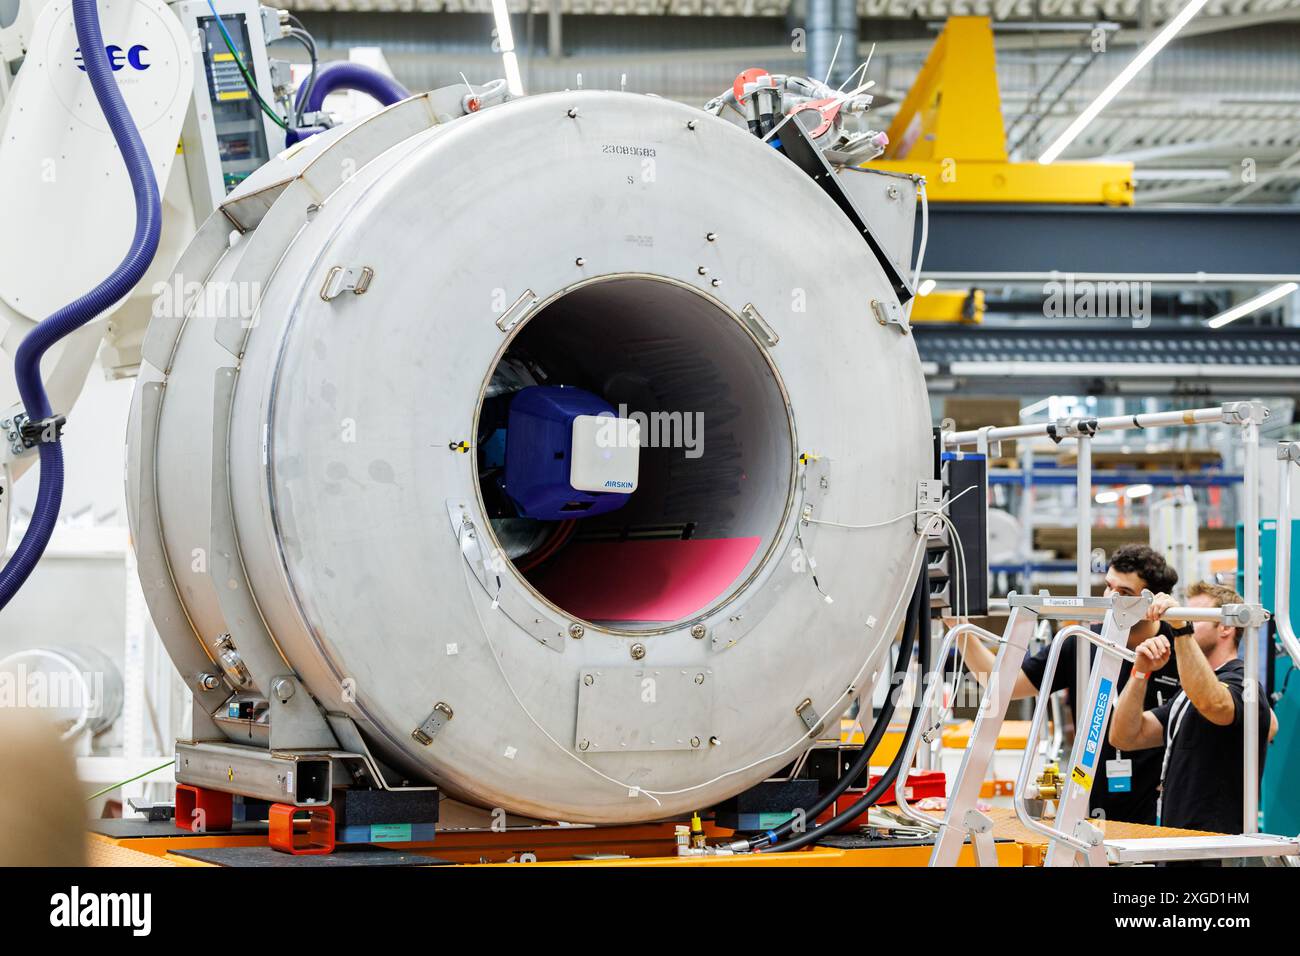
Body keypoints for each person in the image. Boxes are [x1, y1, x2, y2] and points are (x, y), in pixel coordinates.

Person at [958, 544, 1183, 824]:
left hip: (1163, 807)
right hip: (1092, 806)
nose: (1111, 600)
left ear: (1152, 601)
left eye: (1124, 594)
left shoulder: (1182, 648)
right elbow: (1004, 686)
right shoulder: (1081, 643)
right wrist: (959, 629)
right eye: (1108, 587)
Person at [1109, 581, 1276, 838]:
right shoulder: (1186, 695)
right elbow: (1125, 736)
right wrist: (1141, 671)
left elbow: (1214, 703)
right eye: (1183, 615)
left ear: (1226, 627)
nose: (1183, 620)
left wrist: (1180, 629)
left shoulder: (1243, 684)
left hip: (1215, 849)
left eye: (1193, 617)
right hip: (1178, 842)